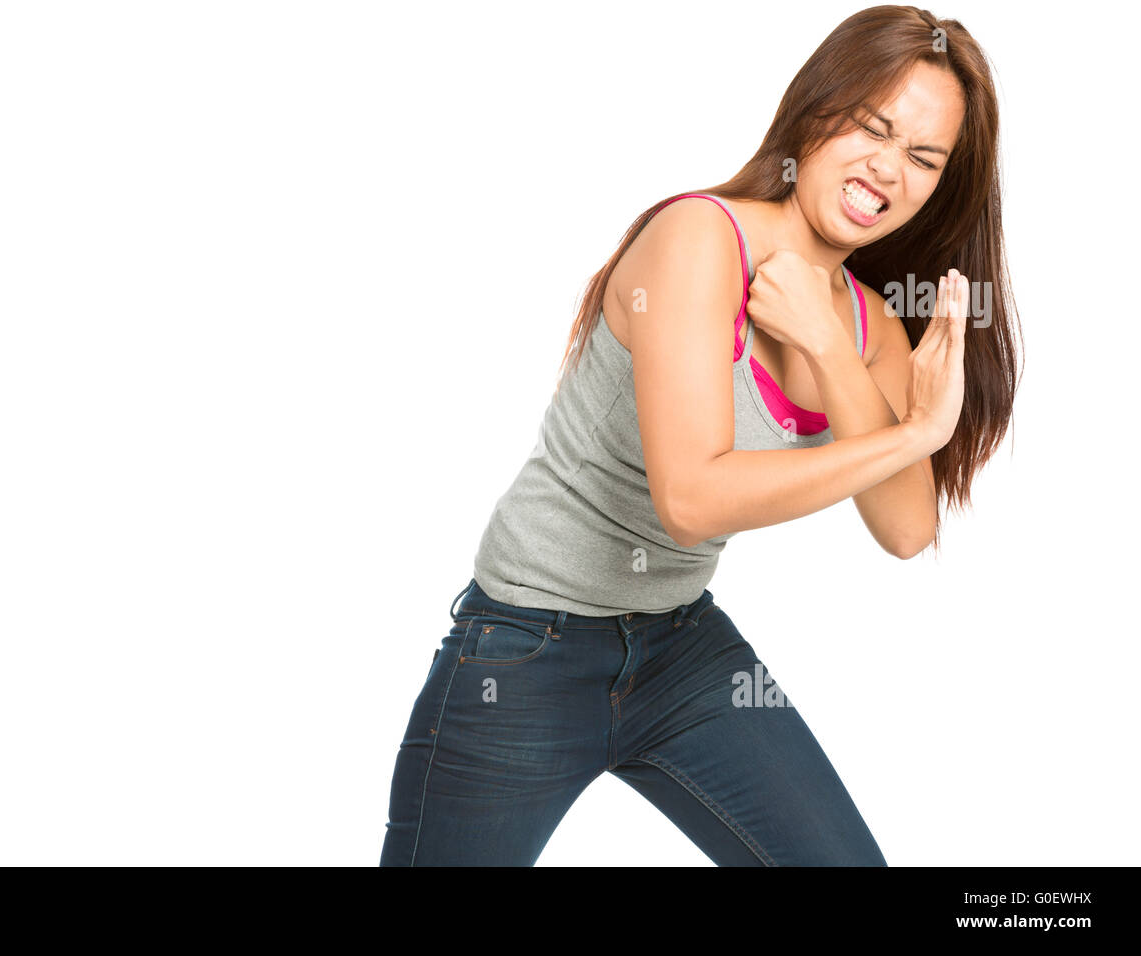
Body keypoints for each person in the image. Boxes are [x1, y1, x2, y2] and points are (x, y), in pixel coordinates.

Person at [379, 5, 1021, 866]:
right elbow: (690, 500)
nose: (886, 168)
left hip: (679, 650)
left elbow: (905, 531)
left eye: (922, 157)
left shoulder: (872, 329)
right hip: (525, 650)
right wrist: (914, 431)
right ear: (816, 109)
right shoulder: (697, 239)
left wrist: (832, 347)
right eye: (874, 126)